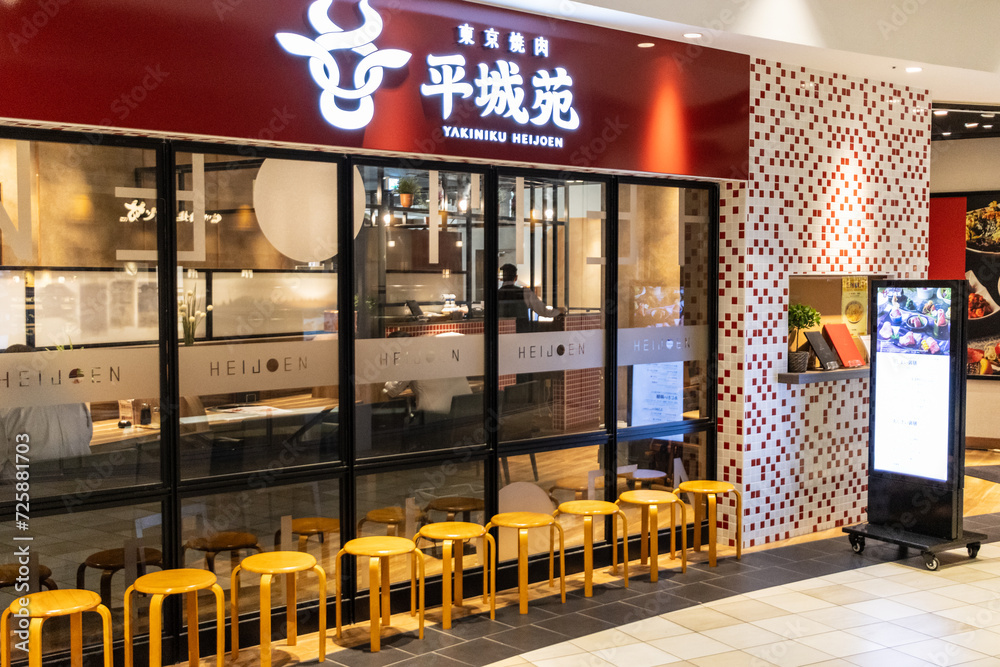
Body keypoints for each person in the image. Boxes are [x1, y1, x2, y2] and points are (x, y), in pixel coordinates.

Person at [0, 344, 93, 480]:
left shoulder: (8, 406)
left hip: (27, 492)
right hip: (78, 483)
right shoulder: (72, 398)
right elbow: (86, 437)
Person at [383, 331, 471, 422]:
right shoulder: (438, 347)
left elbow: (392, 390)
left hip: (438, 416)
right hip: (468, 408)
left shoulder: (411, 357)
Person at [497, 263, 566, 333]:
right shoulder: (525, 292)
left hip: (500, 333)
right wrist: (558, 312)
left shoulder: (495, 294)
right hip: (521, 332)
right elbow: (542, 310)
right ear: (516, 277)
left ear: (502, 279)